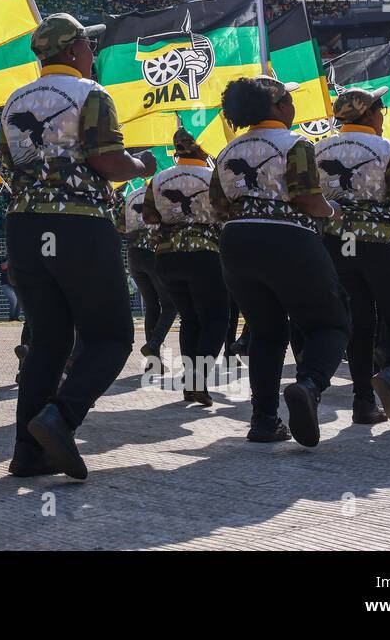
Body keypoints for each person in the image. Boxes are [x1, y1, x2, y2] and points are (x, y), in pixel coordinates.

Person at [0, 13, 156, 479]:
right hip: (79, 224)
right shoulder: (92, 94)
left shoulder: (13, 100)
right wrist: (142, 166)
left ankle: (27, 452)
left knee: (48, 341)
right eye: (89, 46)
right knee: (110, 336)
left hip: (25, 227)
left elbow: (15, 163)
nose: (92, 54)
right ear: (72, 51)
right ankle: (61, 416)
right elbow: (107, 162)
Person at [209, 75, 350, 447]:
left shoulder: (227, 152)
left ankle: (263, 420)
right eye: (288, 100)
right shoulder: (296, 144)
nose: (293, 106)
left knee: (266, 332)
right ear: (276, 107)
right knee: (329, 323)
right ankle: (309, 385)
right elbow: (307, 199)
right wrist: (333, 210)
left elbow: (219, 206)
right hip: (289, 238)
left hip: (237, 242)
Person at [313, 87, 390, 426]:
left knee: (359, 322)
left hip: (341, 241)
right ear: (370, 113)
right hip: (383, 241)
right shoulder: (387, 149)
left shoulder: (316, 149)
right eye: (381, 109)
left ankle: (362, 402)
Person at [142, 126, 227, 407]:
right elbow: (226, 212)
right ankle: (197, 381)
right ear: (203, 146)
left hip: (167, 257)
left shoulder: (158, 179)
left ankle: (191, 385)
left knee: (190, 319)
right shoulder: (214, 176)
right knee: (215, 320)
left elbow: (150, 218)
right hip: (204, 254)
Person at [123, 183, 177, 357]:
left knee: (152, 305)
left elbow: (119, 224)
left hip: (133, 255)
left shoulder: (130, 196)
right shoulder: (159, 195)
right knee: (170, 305)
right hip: (153, 253)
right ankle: (153, 344)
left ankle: (153, 360)